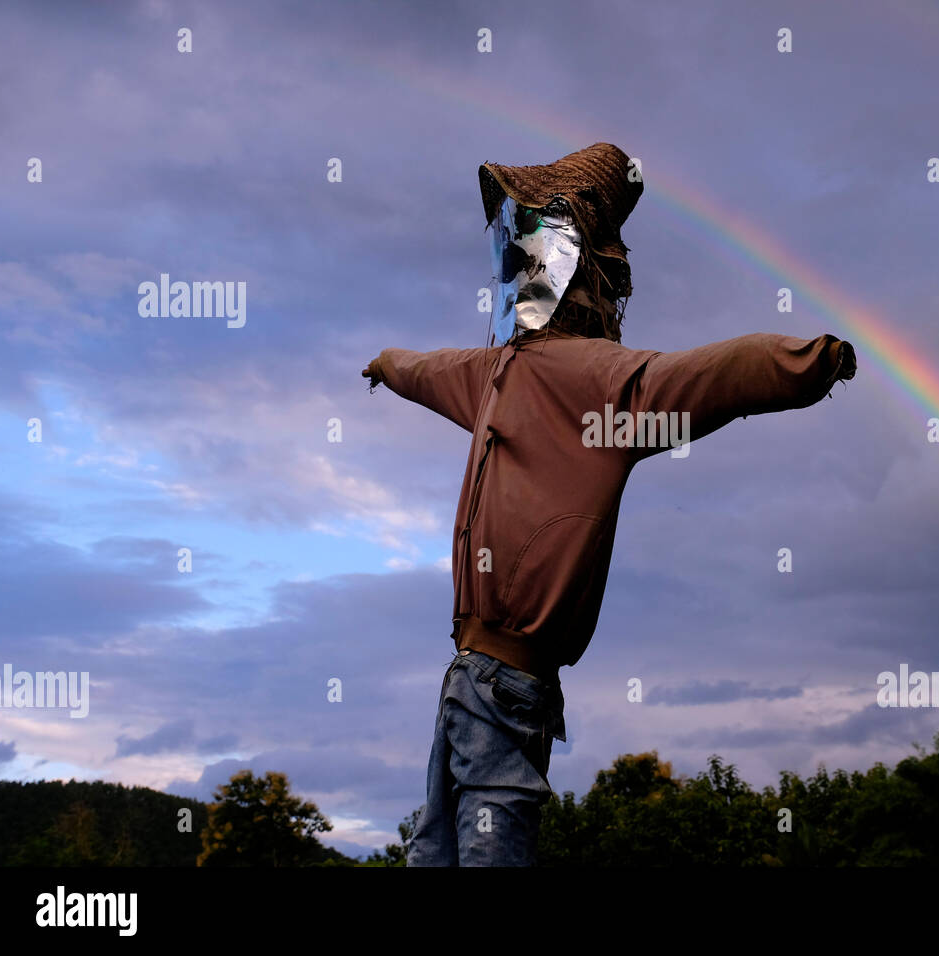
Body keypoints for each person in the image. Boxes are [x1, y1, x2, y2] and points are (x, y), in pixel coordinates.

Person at [362, 142, 857, 866]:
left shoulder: (595, 386)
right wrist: (387, 365)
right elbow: (425, 370)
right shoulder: (498, 374)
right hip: (472, 680)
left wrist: (810, 361)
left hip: (500, 681)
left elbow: (709, 377)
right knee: (432, 852)